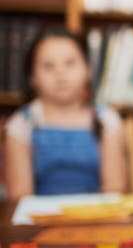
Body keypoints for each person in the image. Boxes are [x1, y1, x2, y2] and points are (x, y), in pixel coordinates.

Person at [4, 29, 126, 199]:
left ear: (88, 70)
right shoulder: (21, 124)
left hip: (96, 218)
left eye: (70, 63)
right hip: (39, 221)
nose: (60, 73)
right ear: (32, 77)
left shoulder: (106, 120)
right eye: (48, 66)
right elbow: (20, 195)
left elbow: (114, 188)